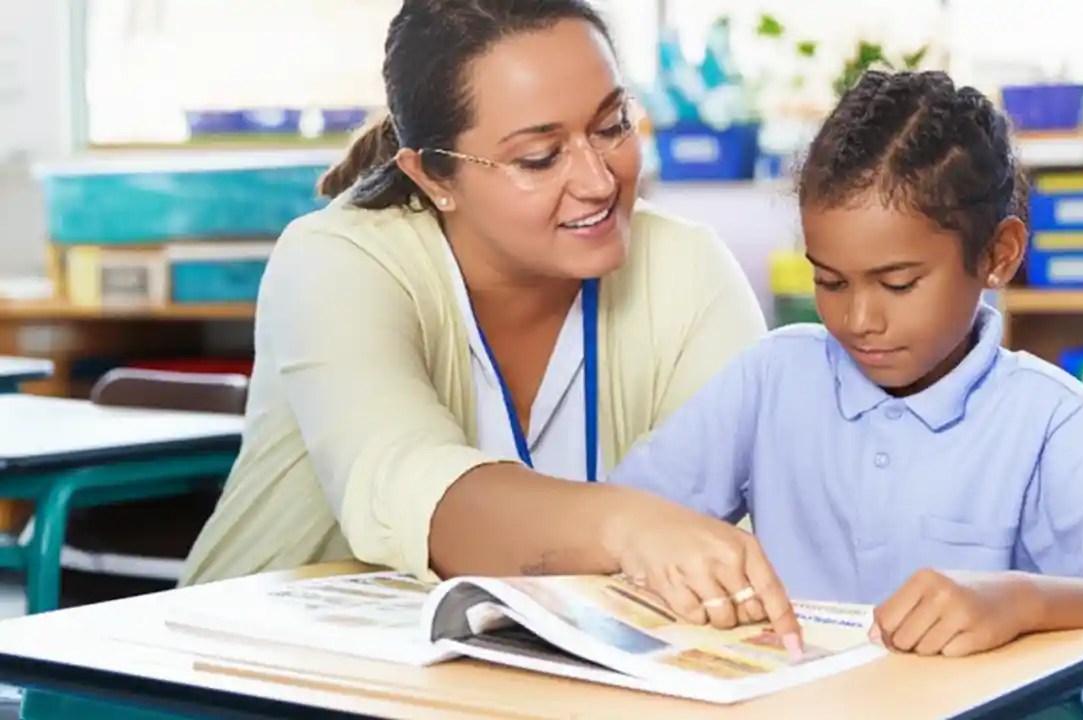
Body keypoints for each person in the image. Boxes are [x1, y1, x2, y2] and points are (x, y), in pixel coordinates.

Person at [180, 0, 804, 649]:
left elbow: (767, 515)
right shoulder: (338, 261)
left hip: (528, 683)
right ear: (432, 173)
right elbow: (413, 489)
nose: (598, 180)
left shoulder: (684, 264)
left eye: (613, 125)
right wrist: (630, 526)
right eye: (540, 157)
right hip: (245, 676)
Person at [608, 71, 1083, 671]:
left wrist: (1025, 601)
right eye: (829, 280)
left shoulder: (1049, 415)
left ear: (998, 255)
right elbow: (620, 519)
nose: (860, 318)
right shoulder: (773, 377)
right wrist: (683, 551)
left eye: (898, 284)